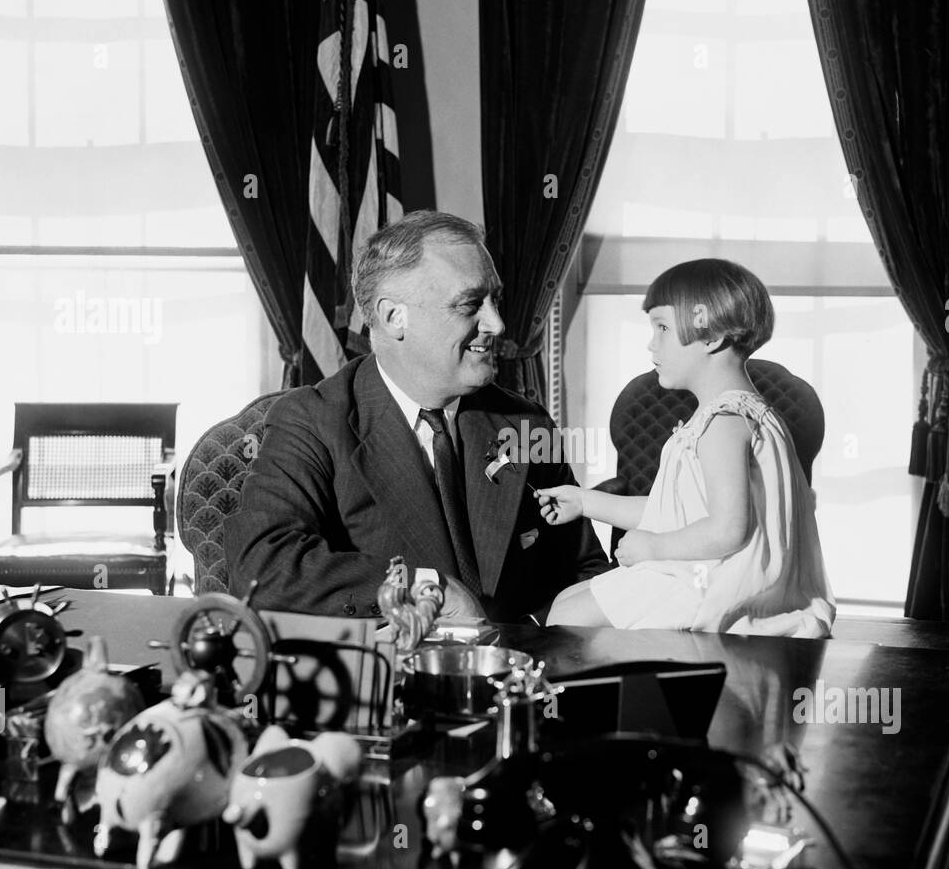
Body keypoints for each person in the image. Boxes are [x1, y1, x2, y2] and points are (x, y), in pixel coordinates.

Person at [225, 211, 607, 622]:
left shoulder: (525, 423)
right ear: (394, 318)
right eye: (470, 304)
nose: (496, 323)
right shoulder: (310, 421)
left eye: (496, 300)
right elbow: (264, 567)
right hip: (389, 676)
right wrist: (426, 588)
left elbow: (585, 572)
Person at [537, 259, 835, 637]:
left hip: (716, 588)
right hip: (708, 573)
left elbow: (728, 530)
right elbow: (673, 512)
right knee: (566, 602)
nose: (651, 342)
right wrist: (583, 502)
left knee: (568, 617)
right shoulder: (730, 416)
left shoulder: (724, 423)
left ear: (711, 337)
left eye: (662, 327)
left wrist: (654, 548)